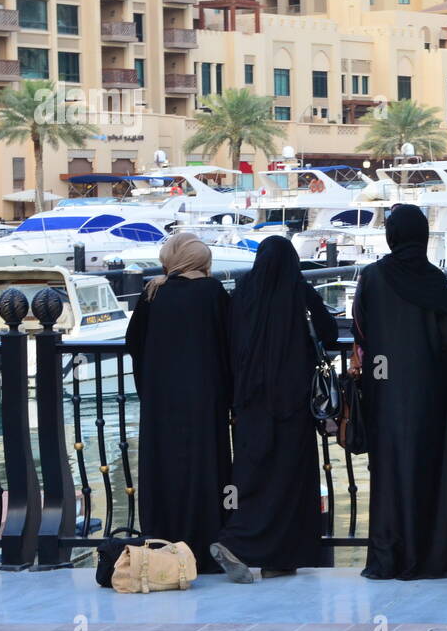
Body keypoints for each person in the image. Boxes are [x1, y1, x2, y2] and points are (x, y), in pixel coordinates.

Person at [210, 236, 338, 583]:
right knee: (290, 482)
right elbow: (326, 333)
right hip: (292, 404)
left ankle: (238, 541)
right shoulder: (299, 292)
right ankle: (280, 556)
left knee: (252, 479)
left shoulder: (242, 295)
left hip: (250, 403)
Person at [353, 204, 447, 580]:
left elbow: (361, 334)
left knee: (389, 474)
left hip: (385, 395)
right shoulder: (435, 280)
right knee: (430, 473)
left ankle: (390, 556)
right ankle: (431, 556)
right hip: (430, 395)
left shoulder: (372, 278)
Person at [127, 233, 232, 572]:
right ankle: (206, 546)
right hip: (205, 399)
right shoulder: (212, 293)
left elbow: (134, 342)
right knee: (206, 468)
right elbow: (230, 343)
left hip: (161, 401)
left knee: (164, 469)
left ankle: (163, 545)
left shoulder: (153, 293)